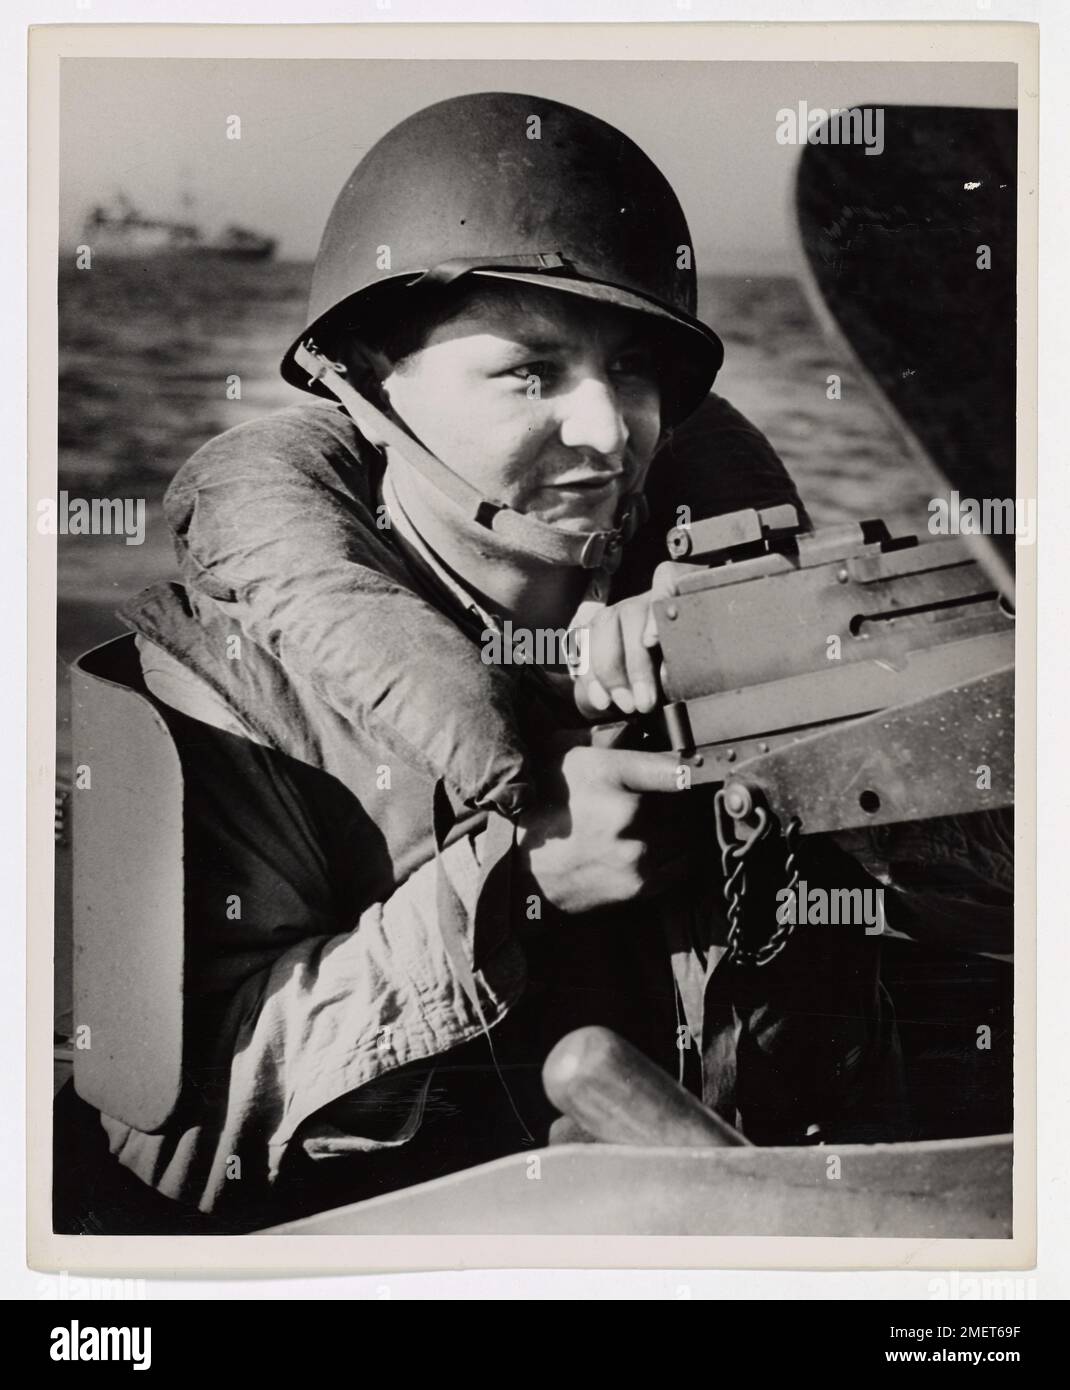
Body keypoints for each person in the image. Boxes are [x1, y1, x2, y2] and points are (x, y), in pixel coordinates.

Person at [101, 91, 940, 1230]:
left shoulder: (764, 626)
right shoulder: (222, 692)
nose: (605, 429)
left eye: (632, 369)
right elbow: (179, 1144)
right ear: (367, 380)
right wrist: (513, 882)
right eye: (529, 372)